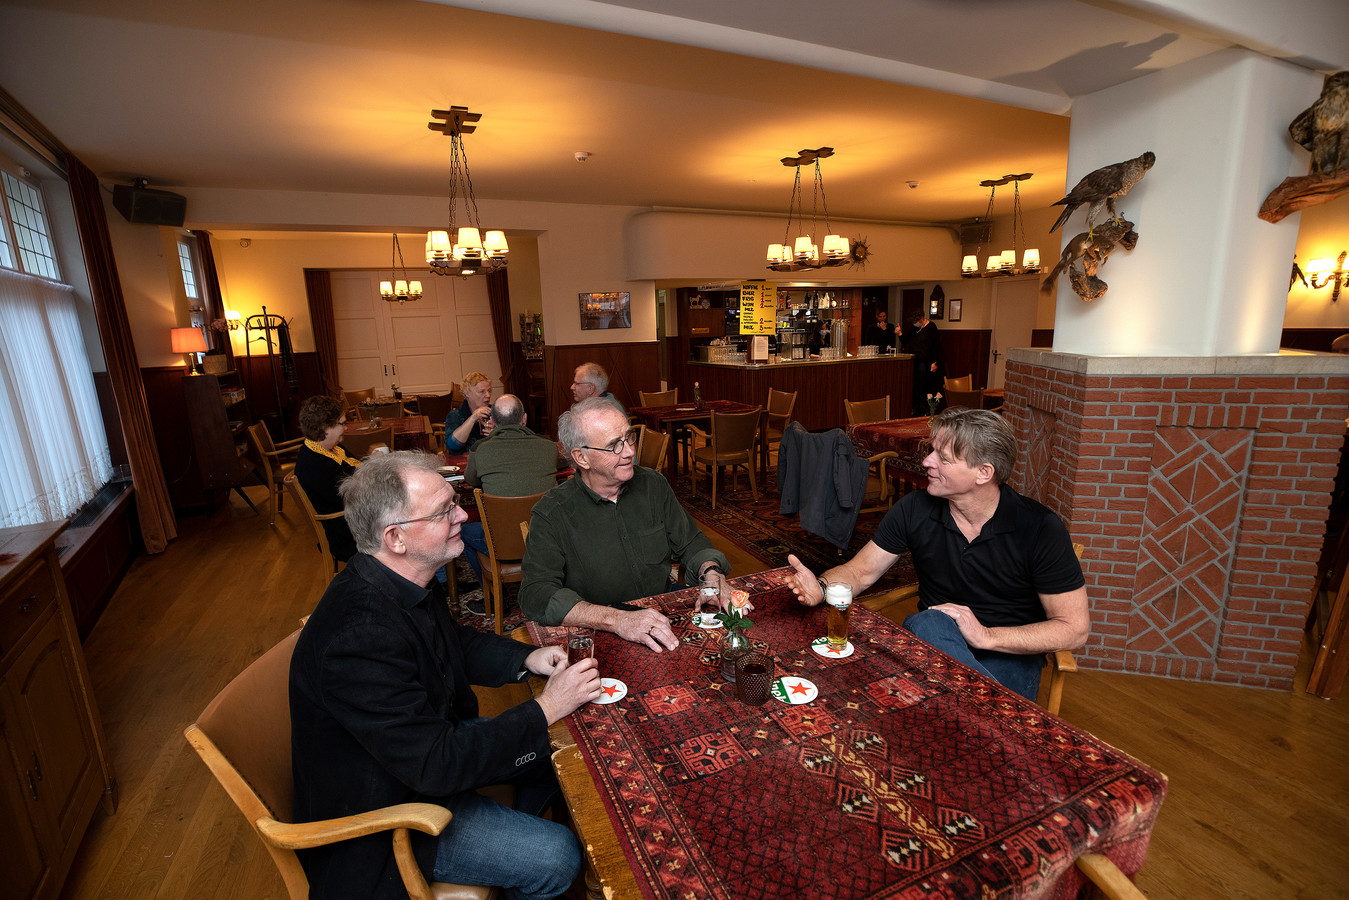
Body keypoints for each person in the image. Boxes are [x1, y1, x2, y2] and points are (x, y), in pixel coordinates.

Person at [290, 451, 596, 900]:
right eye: (444, 511)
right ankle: (517, 857)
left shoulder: (402, 578)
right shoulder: (358, 636)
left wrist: (527, 659)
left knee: (563, 751)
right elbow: (436, 765)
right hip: (389, 815)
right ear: (395, 537)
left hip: (420, 758)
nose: (462, 515)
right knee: (557, 856)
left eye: (455, 502)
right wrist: (545, 706)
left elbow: (457, 644)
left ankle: (507, 834)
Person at [784, 408, 1089, 700]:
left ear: (983, 472)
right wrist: (822, 588)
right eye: (932, 451)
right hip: (936, 643)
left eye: (942, 458)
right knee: (931, 623)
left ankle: (965, 712)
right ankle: (982, 717)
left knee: (924, 641)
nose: (926, 461)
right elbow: (861, 572)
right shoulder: (914, 508)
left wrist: (986, 636)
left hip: (1008, 654)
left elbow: (1073, 630)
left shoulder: (1039, 528)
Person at [519, 397, 731, 651]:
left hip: (662, 618)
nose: (630, 451)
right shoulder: (552, 513)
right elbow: (537, 594)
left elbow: (692, 542)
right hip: (601, 633)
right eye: (614, 446)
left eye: (628, 438)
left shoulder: (653, 485)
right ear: (582, 458)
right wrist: (616, 620)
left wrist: (711, 573)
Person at [457, 394, 563, 609]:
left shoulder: (481, 449)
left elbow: (470, 480)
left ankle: (497, 599)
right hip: (546, 541)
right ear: (524, 419)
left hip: (502, 545)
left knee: (465, 532)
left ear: (493, 422)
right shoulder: (548, 448)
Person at [294, 395, 359, 563]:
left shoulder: (331, 449)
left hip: (354, 519)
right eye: (342, 423)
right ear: (325, 427)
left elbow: (353, 473)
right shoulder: (314, 464)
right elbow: (351, 496)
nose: (346, 428)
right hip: (348, 534)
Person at [444, 372, 495, 453]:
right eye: (482, 391)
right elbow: (452, 446)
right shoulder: (455, 415)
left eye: (489, 391)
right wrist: (473, 418)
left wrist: (496, 435)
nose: (488, 395)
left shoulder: (496, 412)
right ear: (467, 393)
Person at [909, 312, 945, 415]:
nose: (915, 323)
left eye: (916, 321)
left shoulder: (932, 326)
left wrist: (935, 362)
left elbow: (937, 347)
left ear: (921, 318)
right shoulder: (915, 328)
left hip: (929, 363)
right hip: (917, 362)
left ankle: (928, 410)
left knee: (928, 387)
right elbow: (906, 339)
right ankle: (918, 409)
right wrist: (899, 334)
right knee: (918, 387)